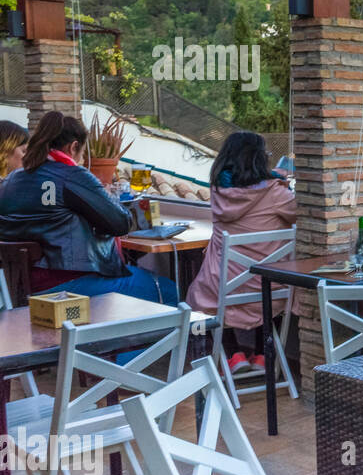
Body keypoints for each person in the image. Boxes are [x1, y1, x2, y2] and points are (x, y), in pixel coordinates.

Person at [0, 111, 176, 303]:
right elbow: (120, 223)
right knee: (169, 290)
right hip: (70, 286)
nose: (82, 160)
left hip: (21, 290)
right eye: (83, 153)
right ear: (74, 146)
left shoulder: (12, 179)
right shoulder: (71, 175)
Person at [186, 132, 296, 373]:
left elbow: (247, 185)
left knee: (196, 300)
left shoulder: (218, 191)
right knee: (266, 280)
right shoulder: (277, 193)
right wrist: (280, 181)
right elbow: (299, 214)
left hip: (224, 287)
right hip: (271, 289)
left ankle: (233, 354)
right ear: (258, 159)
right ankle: (262, 355)